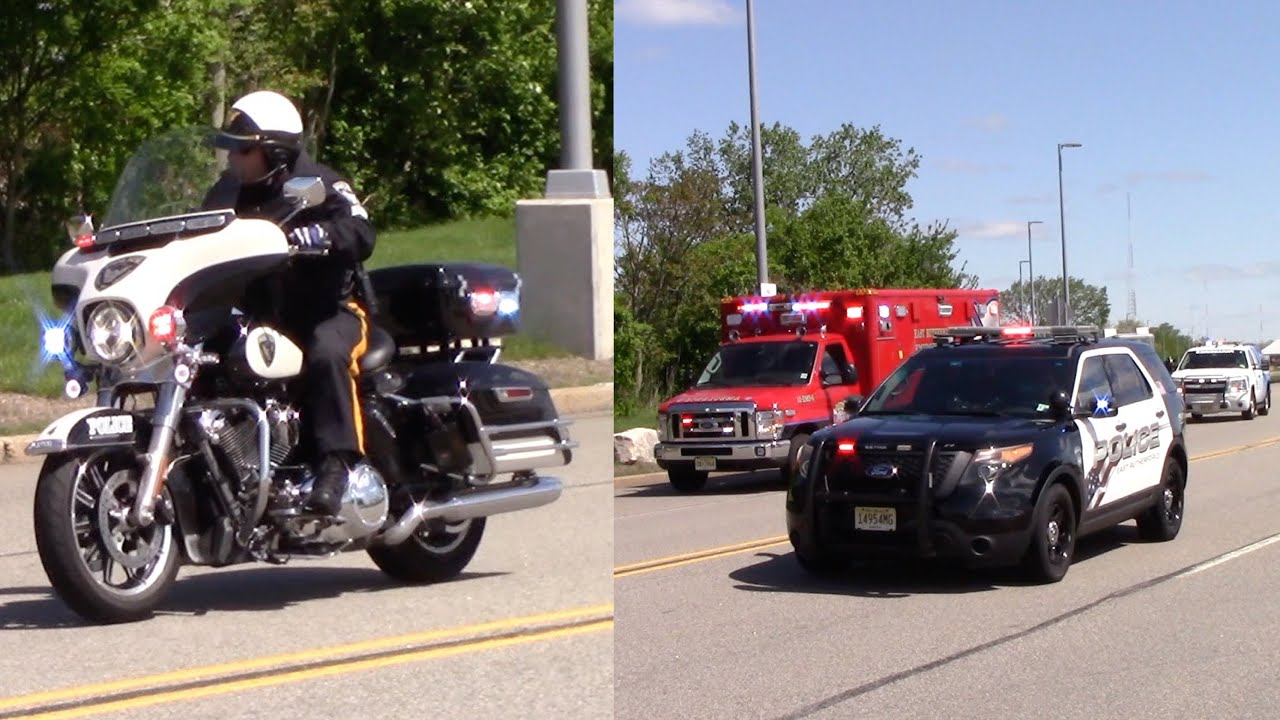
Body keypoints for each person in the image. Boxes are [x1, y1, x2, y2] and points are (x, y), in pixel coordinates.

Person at [204, 90, 376, 517]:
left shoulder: (320, 184)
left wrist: (323, 236)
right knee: (203, 355)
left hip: (331, 311)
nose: (232, 159)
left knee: (326, 353)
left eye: (242, 150)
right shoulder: (228, 191)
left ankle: (338, 467)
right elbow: (197, 232)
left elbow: (360, 230)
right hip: (263, 319)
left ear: (273, 152)